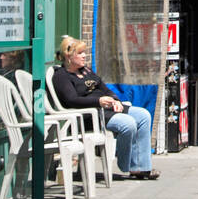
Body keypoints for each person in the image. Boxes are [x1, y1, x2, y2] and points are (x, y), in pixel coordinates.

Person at [51, 35, 158, 180]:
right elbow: (72, 100)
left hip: (106, 108)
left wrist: (116, 100)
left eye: (84, 52)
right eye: (80, 53)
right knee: (128, 124)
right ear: (68, 56)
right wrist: (98, 101)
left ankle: (142, 167)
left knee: (144, 115)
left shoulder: (86, 71)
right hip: (89, 115)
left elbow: (104, 88)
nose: (84, 56)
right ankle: (128, 165)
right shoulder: (61, 76)